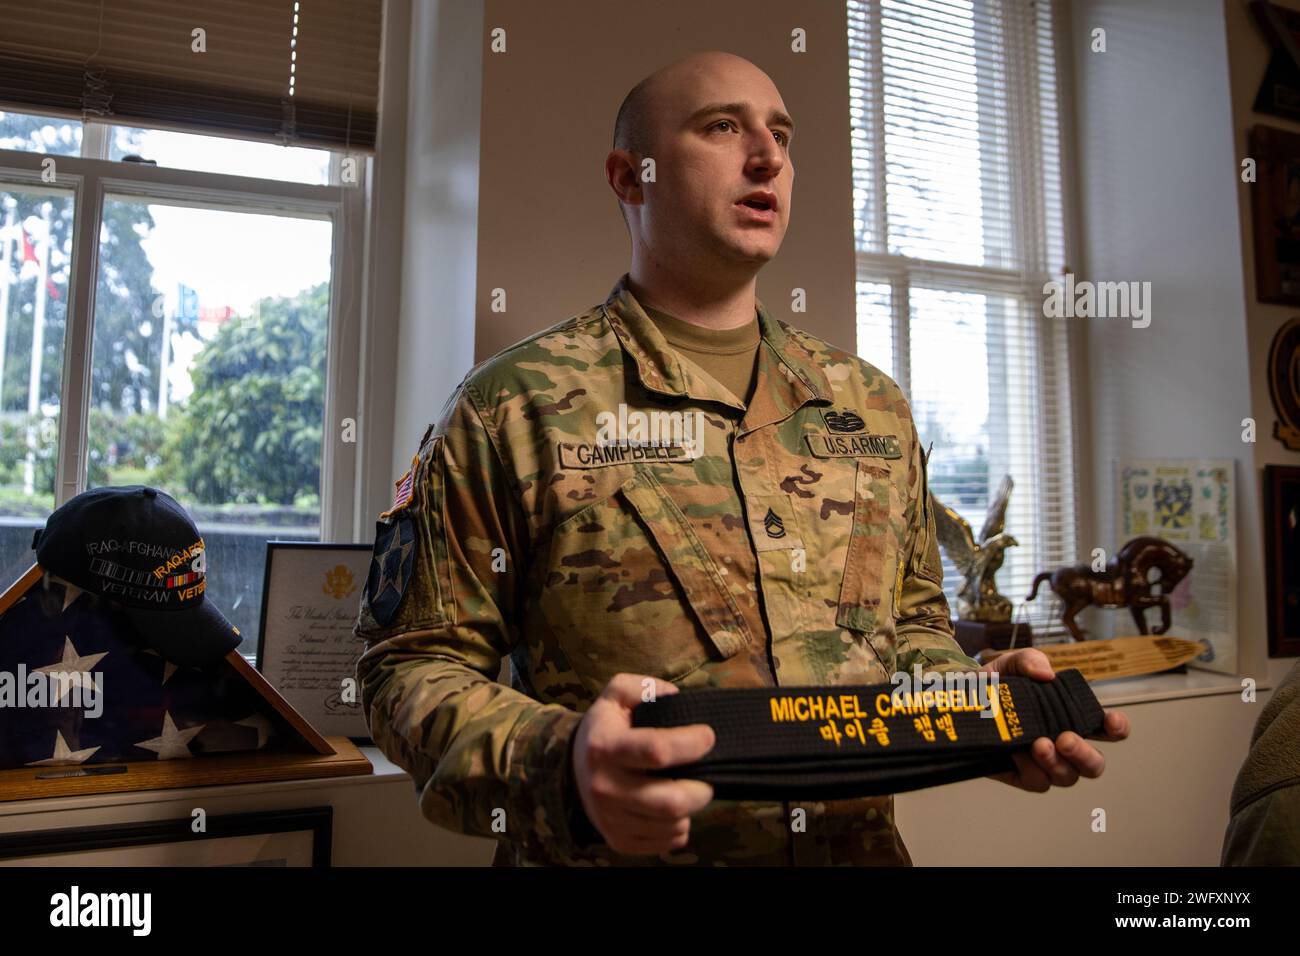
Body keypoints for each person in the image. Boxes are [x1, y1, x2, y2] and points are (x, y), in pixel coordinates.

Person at [354, 50, 1129, 866]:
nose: (769, 158)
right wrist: (563, 764)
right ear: (630, 176)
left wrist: (978, 705)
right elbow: (410, 668)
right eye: (722, 127)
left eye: (782, 136)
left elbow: (908, 627)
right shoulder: (512, 406)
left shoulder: (870, 406)